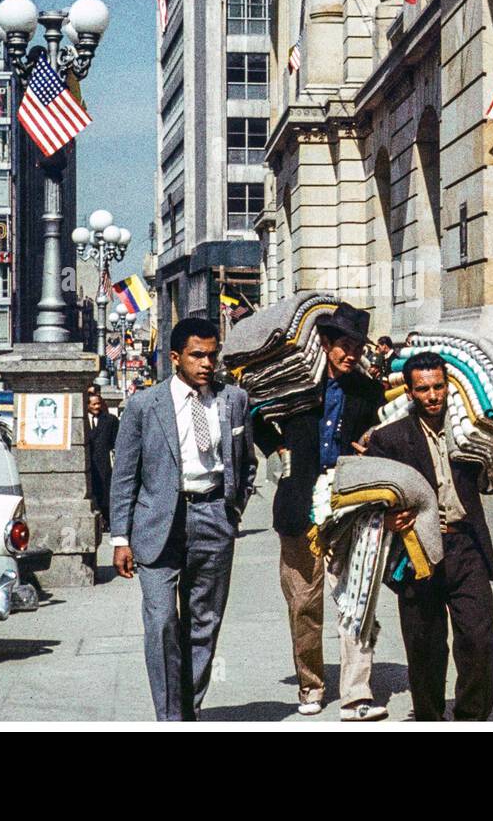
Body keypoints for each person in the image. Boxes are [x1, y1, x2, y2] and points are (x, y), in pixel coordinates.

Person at [367, 351, 493, 722]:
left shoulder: (472, 429)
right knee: (425, 645)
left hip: (466, 546)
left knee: (478, 638)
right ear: (410, 393)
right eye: (423, 389)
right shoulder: (391, 438)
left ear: (449, 386)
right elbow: (372, 495)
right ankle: (430, 718)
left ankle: (471, 718)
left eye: (438, 387)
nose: (432, 396)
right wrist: (389, 517)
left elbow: (490, 479)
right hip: (417, 550)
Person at [109, 317, 256, 721]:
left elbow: (247, 464)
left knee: (204, 621)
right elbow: (125, 475)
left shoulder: (234, 400)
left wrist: (233, 509)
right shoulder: (144, 405)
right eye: (197, 355)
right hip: (159, 523)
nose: (207, 363)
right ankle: (170, 718)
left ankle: (188, 709)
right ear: (176, 358)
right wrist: (120, 537)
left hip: (213, 518)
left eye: (213, 355)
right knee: (161, 623)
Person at [253, 301, 388, 721]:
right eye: (343, 345)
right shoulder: (296, 385)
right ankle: (311, 685)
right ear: (326, 344)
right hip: (299, 507)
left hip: (350, 508)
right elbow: (255, 410)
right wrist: (276, 447)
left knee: (356, 598)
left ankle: (356, 692)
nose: (350, 354)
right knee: (304, 604)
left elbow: (383, 431)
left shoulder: (368, 391)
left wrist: (371, 442)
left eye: (356, 347)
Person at [84, 390, 119, 531]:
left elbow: (116, 442)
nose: (97, 407)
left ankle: (107, 520)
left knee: (106, 493)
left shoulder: (110, 420)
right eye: (93, 404)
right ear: (87, 405)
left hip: (104, 463)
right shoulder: (82, 420)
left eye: (98, 404)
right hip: (88, 463)